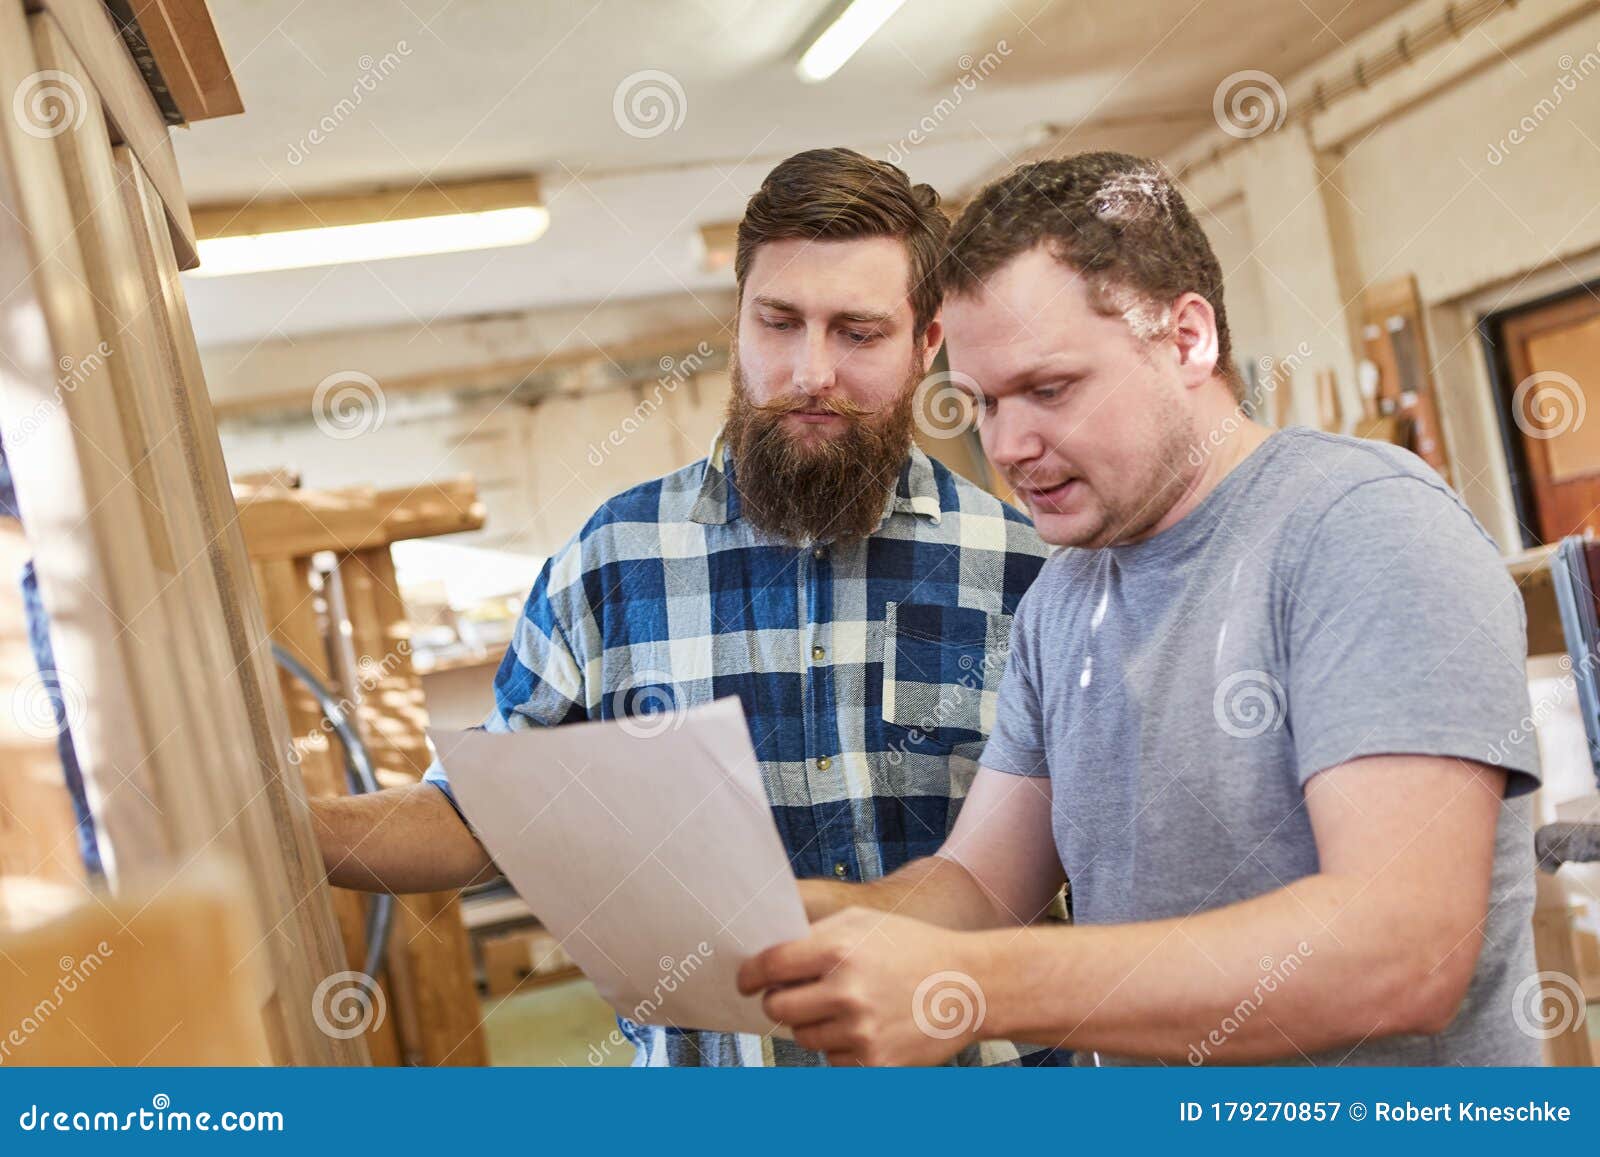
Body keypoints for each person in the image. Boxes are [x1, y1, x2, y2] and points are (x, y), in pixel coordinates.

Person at [738, 151, 1544, 1067]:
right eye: (981, 405)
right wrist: (802, 921)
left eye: (1049, 390)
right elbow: (974, 886)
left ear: (1187, 338)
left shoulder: (1361, 528)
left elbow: (1399, 952)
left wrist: (972, 986)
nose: (1010, 445)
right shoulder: (1063, 597)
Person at [312, 147, 1059, 1066]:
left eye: (858, 333)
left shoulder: (1027, 567)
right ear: (738, 319)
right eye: (778, 322)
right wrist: (284, 826)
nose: (809, 370)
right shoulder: (610, 562)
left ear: (926, 343)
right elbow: (480, 815)